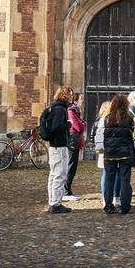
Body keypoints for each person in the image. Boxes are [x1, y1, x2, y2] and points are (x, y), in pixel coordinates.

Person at [39, 85, 76, 215]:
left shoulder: (54, 107)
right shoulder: (60, 110)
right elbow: (56, 127)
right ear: (65, 95)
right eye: (70, 94)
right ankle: (55, 204)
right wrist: (68, 124)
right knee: (59, 174)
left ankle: (53, 201)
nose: (72, 97)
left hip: (55, 146)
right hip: (59, 146)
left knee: (54, 174)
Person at [101, 93, 135, 214]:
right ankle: (125, 206)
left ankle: (108, 206)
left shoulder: (107, 118)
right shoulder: (129, 118)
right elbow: (133, 134)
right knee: (125, 180)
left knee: (109, 180)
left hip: (110, 153)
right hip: (125, 153)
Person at [64, 95, 86, 197]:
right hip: (73, 140)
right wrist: (82, 124)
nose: (82, 101)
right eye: (81, 99)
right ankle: (65, 190)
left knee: (73, 166)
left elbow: (81, 124)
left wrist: (82, 124)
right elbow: (78, 126)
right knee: (70, 165)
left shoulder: (76, 111)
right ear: (76, 101)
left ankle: (68, 190)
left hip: (75, 140)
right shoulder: (71, 111)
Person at [92, 98, 113, 208]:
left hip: (103, 150)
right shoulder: (107, 120)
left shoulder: (100, 120)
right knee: (108, 174)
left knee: (106, 173)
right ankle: (107, 197)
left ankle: (106, 197)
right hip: (108, 149)